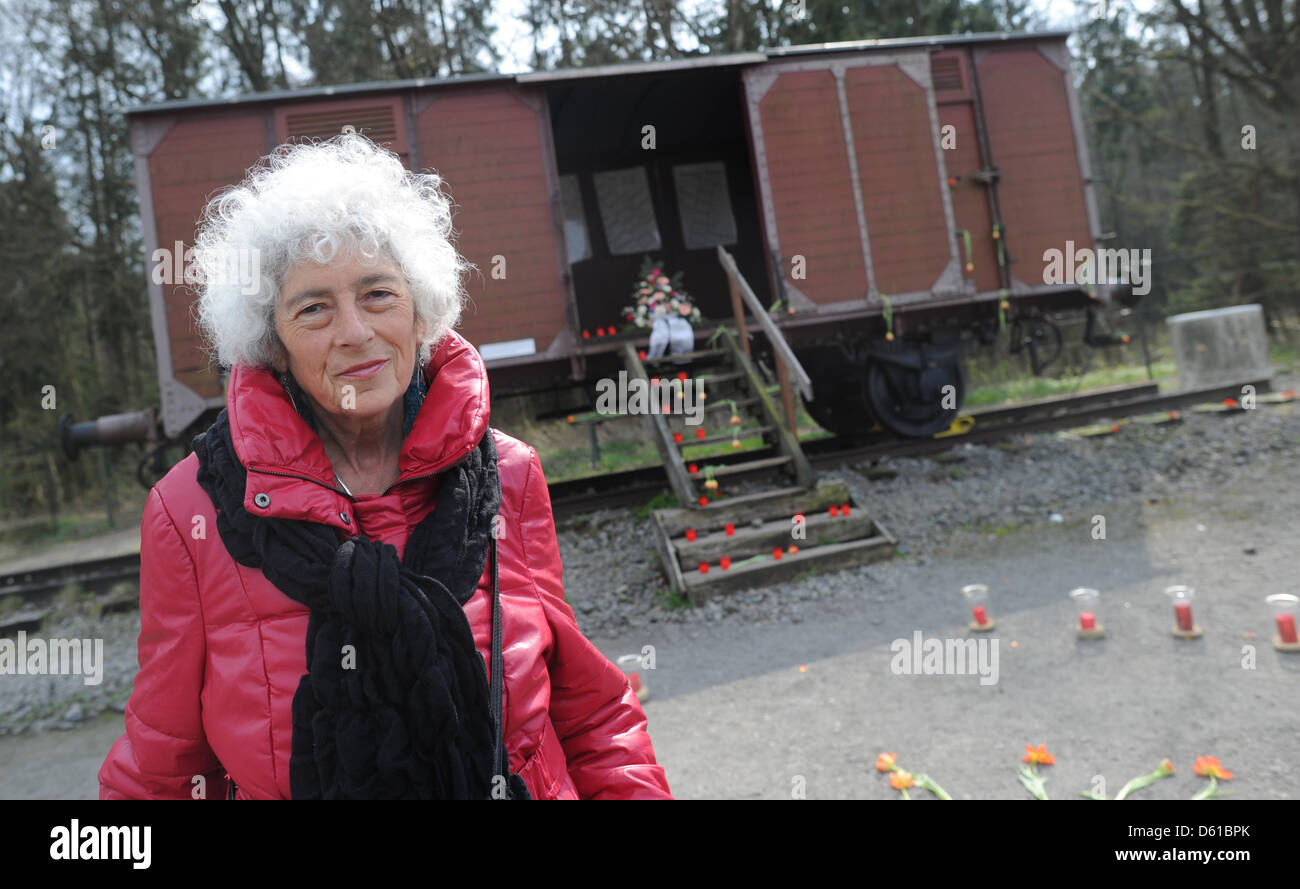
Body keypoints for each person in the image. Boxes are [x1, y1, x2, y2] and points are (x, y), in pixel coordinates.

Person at [99, 133, 673, 799]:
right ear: (273, 343)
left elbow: (594, 714)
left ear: (418, 307)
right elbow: (162, 768)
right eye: (313, 307)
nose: (354, 331)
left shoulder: (509, 475)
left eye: (377, 293)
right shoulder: (189, 511)